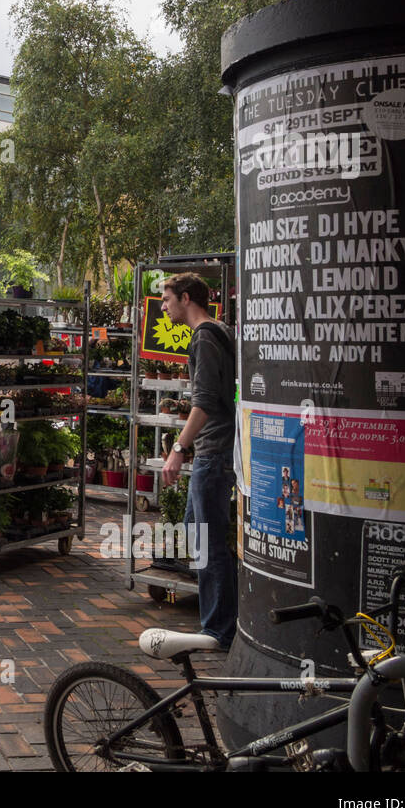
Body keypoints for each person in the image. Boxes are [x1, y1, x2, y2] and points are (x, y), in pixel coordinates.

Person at [160, 272, 237, 650]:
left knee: (206, 541)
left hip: (213, 451)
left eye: (167, 299)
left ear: (186, 298)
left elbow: (204, 401)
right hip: (217, 451)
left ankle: (218, 630)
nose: (163, 306)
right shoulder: (219, 331)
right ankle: (223, 617)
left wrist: (178, 448)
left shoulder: (205, 337)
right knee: (197, 532)